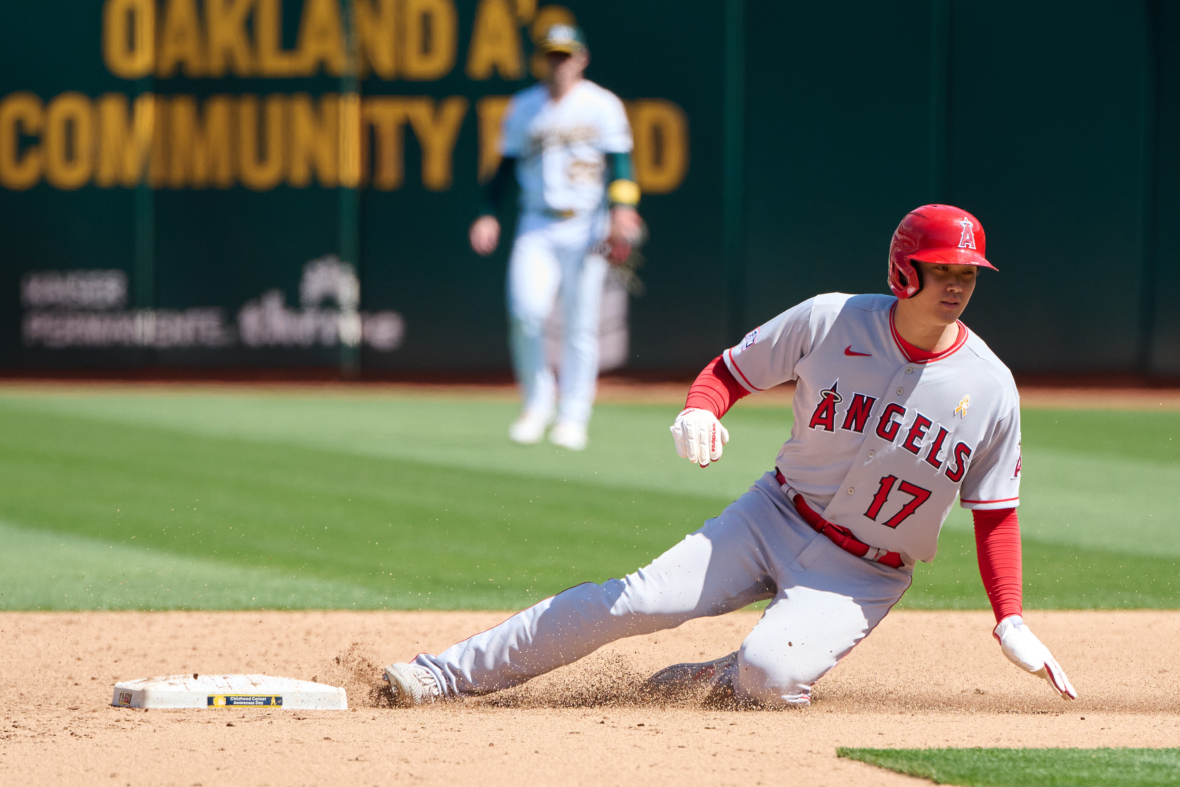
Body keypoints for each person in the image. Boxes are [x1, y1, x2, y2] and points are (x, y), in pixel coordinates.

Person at [387, 205, 1076, 708]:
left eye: (968, 273)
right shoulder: (830, 319)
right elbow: (729, 371)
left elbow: (996, 513)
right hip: (773, 514)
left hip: (862, 571)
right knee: (631, 601)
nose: (957, 285)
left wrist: (1009, 616)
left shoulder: (991, 387)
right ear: (904, 270)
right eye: (942, 270)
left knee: (768, 677)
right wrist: (700, 409)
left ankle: (725, 672)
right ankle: (441, 674)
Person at [469, 24, 643, 452]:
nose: (558, 62)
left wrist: (622, 208)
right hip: (537, 222)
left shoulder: (601, 104)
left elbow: (620, 163)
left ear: (581, 58)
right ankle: (537, 403)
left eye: (565, 55)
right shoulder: (524, 106)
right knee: (525, 312)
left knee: (580, 323)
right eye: (551, 54)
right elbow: (505, 168)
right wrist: (488, 212)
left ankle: (574, 415)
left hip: (587, 224)